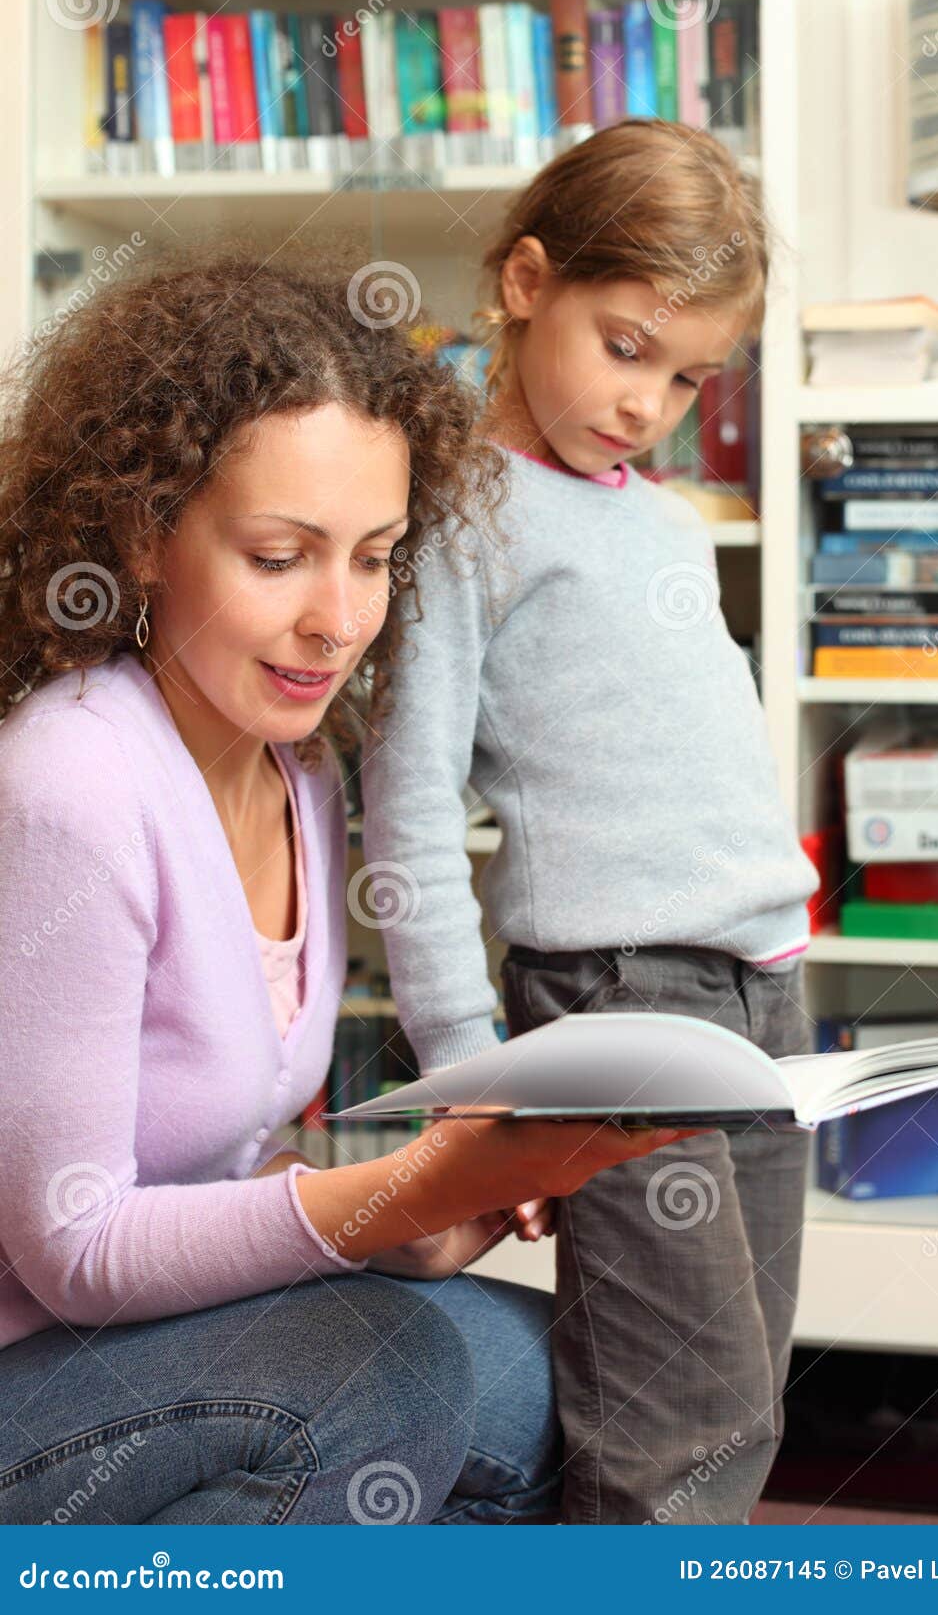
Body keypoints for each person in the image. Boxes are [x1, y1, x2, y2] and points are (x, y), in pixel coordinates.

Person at [0, 249, 689, 1525]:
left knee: (570, 1391)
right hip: (25, 1364)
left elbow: (218, 1164)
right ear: (145, 535)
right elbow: (77, 1249)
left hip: (120, 1343)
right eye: (280, 556)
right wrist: (385, 1198)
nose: (338, 619)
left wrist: (414, 1210)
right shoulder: (73, 784)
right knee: (374, 1390)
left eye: (373, 557)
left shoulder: (297, 765)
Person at [360, 120, 821, 1525]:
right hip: (620, 1001)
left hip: (766, 990)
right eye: (624, 346)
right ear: (522, 280)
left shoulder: (671, 524)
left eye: (685, 375)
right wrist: (469, 1072)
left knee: (736, 1394)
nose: (648, 403)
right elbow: (408, 805)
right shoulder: (457, 518)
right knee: (677, 1416)